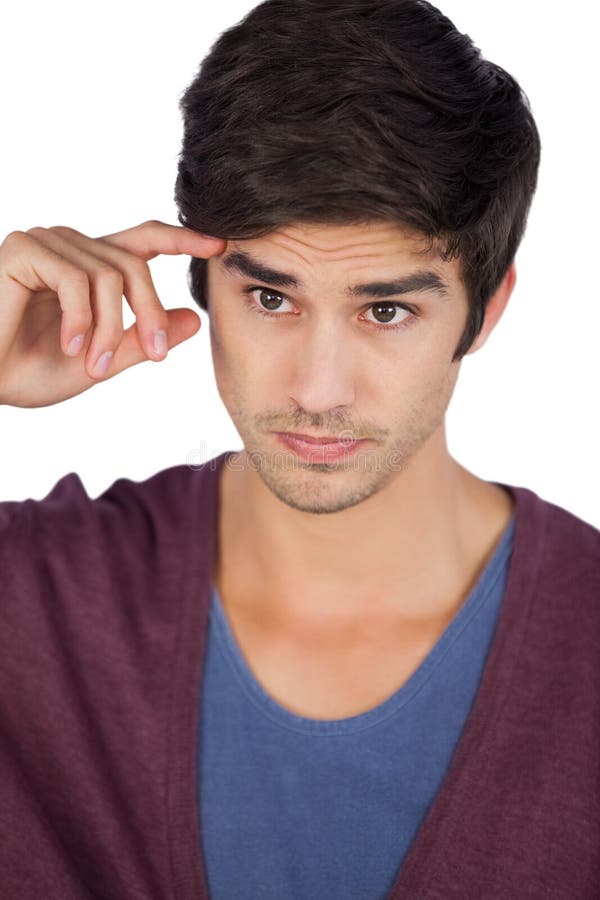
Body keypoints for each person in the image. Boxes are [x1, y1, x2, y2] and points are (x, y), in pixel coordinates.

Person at [0, 0, 598, 898]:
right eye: (272, 299)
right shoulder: (33, 599)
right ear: (199, 280)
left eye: (386, 310)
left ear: (487, 309)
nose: (318, 391)